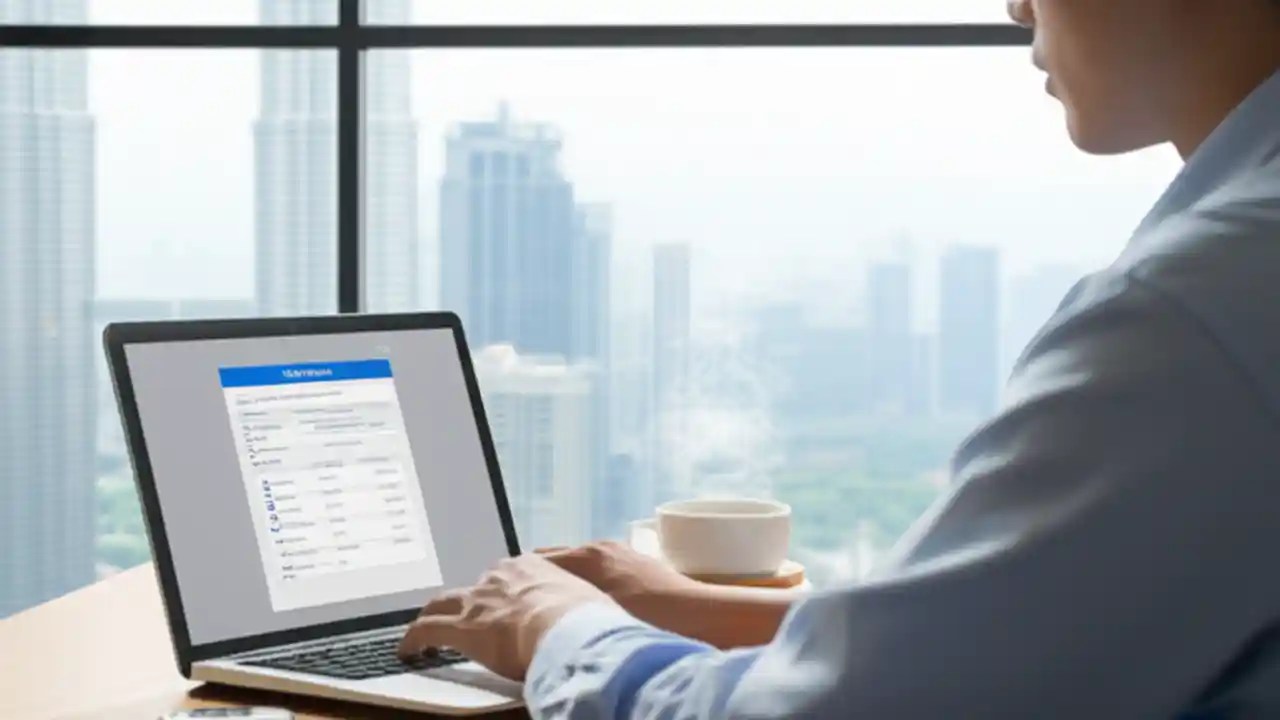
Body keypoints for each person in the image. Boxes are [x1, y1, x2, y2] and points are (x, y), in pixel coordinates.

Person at [400, 1, 1280, 716]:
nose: (1016, 7)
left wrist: (559, 629)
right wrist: (706, 610)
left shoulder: (1193, 310)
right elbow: (1054, 632)